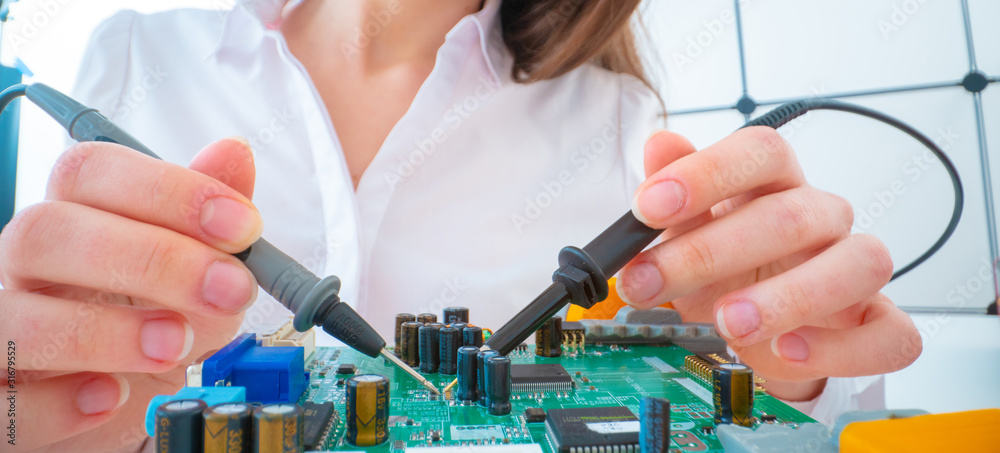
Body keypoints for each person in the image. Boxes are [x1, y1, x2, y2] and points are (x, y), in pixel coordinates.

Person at [0, 0, 921, 451]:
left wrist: (791, 363)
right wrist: (24, 383)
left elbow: (769, 402)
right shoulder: (132, 55)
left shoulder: (620, 121)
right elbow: (37, 363)